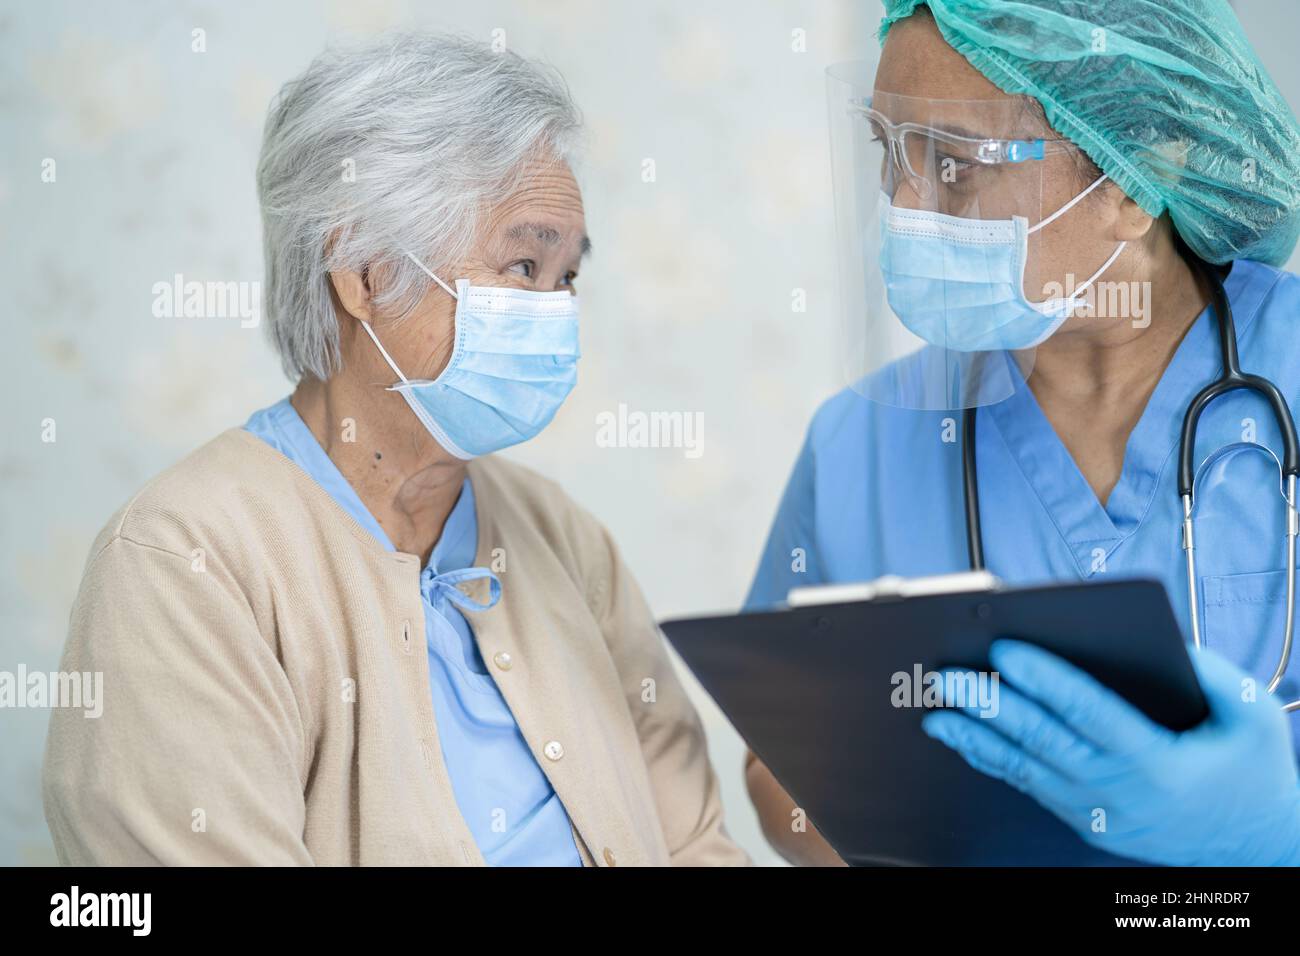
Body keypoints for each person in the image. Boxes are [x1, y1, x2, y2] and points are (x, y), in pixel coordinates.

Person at [42, 33, 747, 867]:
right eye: (523, 265)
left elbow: (696, 843)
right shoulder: (183, 563)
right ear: (365, 273)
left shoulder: (565, 540)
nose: (555, 311)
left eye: (566, 277)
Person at [745, 0, 1300, 866]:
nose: (903, 203)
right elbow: (777, 762)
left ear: (1135, 171)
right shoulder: (860, 443)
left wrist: (1271, 843)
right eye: (887, 150)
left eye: (955, 165)